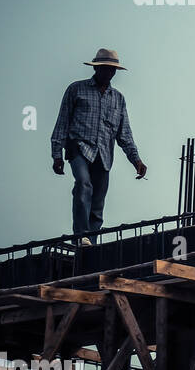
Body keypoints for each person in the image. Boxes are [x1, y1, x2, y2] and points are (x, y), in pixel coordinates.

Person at [50, 48, 147, 246]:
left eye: (112, 70)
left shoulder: (118, 99)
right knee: (83, 185)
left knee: (98, 203)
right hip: (79, 147)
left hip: (104, 154)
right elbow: (62, 122)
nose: (109, 73)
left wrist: (136, 160)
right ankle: (81, 235)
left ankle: (90, 243)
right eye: (105, 69)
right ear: (97, 68)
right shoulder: (77, 89)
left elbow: (124, 134)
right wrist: (56, 155)